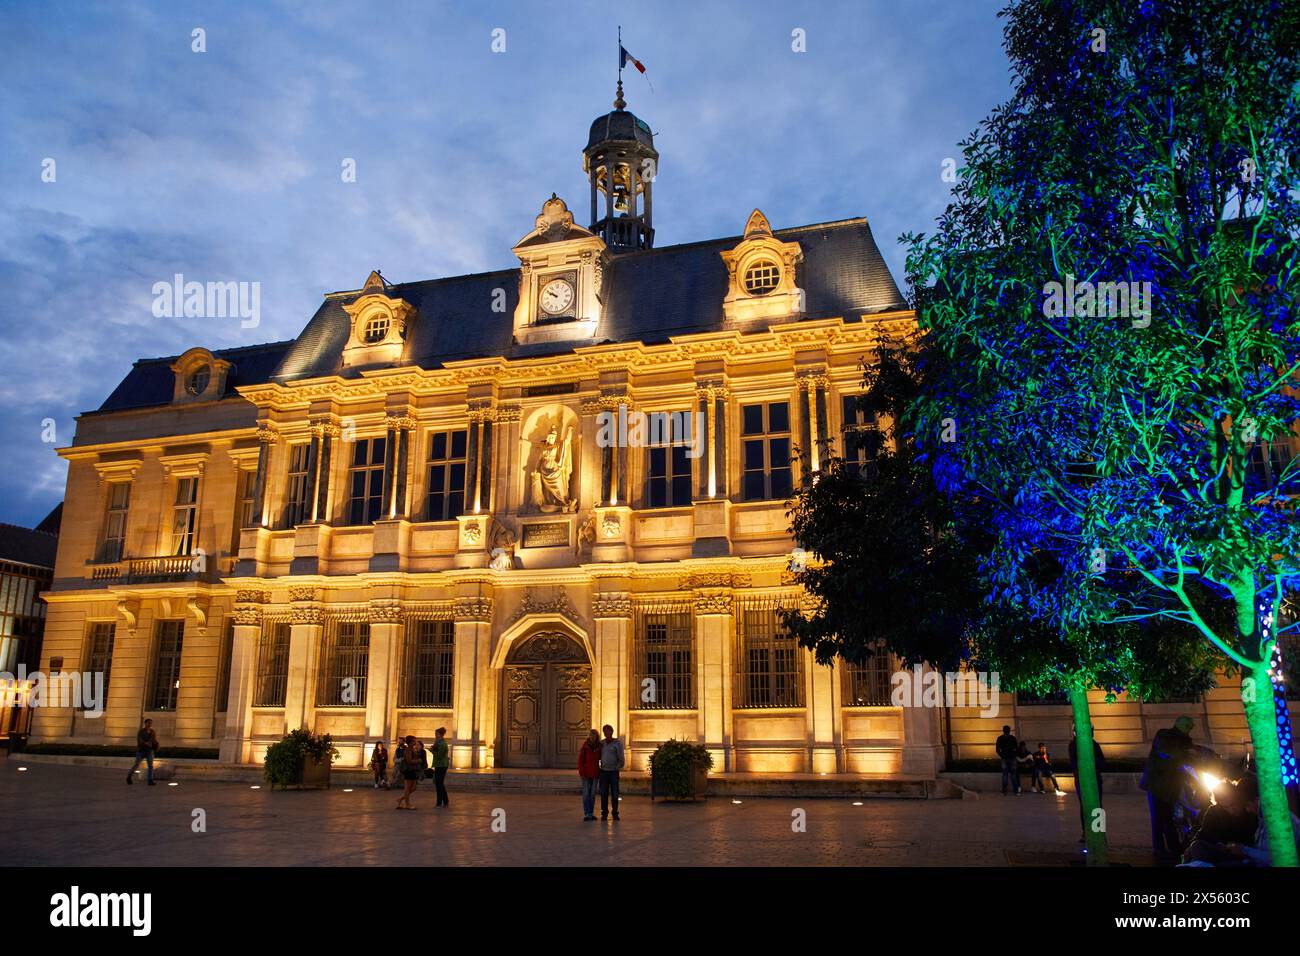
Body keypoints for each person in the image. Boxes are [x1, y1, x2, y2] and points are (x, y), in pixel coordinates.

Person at [1141, 715, 1195, 858]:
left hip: (1169, 783)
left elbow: (1190, 759)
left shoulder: (1184, 741)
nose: (1188, 729)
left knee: (1165, 817)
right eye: (1187, 726)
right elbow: (1166, 753)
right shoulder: (1164, 735)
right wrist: (1186, 754)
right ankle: (1165, 848)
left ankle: (1170, 847)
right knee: (1162, 817)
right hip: (1158, 783)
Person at [1069, 727, 1106, 841]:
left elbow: (1102, 762)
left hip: (1092, 778)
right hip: (1084, 779)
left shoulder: (1093, 745)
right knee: (1090, 806)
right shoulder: (1075, 745)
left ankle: (1098, 832)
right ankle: (1090, 832)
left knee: (1096, 806)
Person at [598, 724, 624, 821]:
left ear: (611, 732)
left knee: (615, 793)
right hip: (604, 772)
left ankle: (615, 813)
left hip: (613, 772)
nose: (606, 733)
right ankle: (604, 813)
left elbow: (621, 758)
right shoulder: (602, 743)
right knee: (603, 793)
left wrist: (616, 768)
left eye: (608, 731)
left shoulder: (617, 743)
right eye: (604, 731)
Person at [126, 719, 159, 785]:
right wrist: (146, 743)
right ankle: (129, 776)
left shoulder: (152, 731)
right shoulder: (141, 731)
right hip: (141, 751)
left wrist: (157, 744)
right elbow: (140, 740)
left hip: (149, 751)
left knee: (150, 766)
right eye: (148, 723)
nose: (150, 724)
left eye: (151, 723)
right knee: (136, 765)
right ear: (145, 723)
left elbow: (154, 740)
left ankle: (150, 780)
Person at [578, 728, 602, 821]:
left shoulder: (599, 747)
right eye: (591, 735)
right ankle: (587, 813)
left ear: (596, 737)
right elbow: (580, 761)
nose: (592, 736)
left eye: (594, 735)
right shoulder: (585, 747)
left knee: (592, 794)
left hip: (595, 773)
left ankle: (591, 813)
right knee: (586, 794)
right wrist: (581, 772)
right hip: (586, 774)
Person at [395, 735, 422, 810]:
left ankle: (400, 799)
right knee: (407, 788)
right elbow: (409, 760)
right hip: (408, 770)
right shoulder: (408, 750)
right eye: (414, 741)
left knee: (413, 788)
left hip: (412, 770)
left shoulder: (412, 749)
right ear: (410, 742)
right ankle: (407, 804)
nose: (415, 742)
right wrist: (418, 761)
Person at [995, 725, 1020, 795]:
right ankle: (1015, 791)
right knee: (1013, 775)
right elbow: (1017, 748)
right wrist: (1014, 754)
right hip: (1012, 758)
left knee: (1005, 775)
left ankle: (1004, 791)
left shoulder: (1000, 738)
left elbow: (997, 749)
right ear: (1009, 731)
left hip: (1004, 758)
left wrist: (1002, 755)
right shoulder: (1012, 738)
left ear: (1003, 731)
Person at [431, 727, 450, 808]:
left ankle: (443, 801)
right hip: (439, 765)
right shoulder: (439, 742)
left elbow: (439, 755)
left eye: (437, 734)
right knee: (438, 783)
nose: (435, 735)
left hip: (441, 765)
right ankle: (441, 802)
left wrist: (432, 751)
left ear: (441, 734)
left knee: (439, 783)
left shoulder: (442, 743)